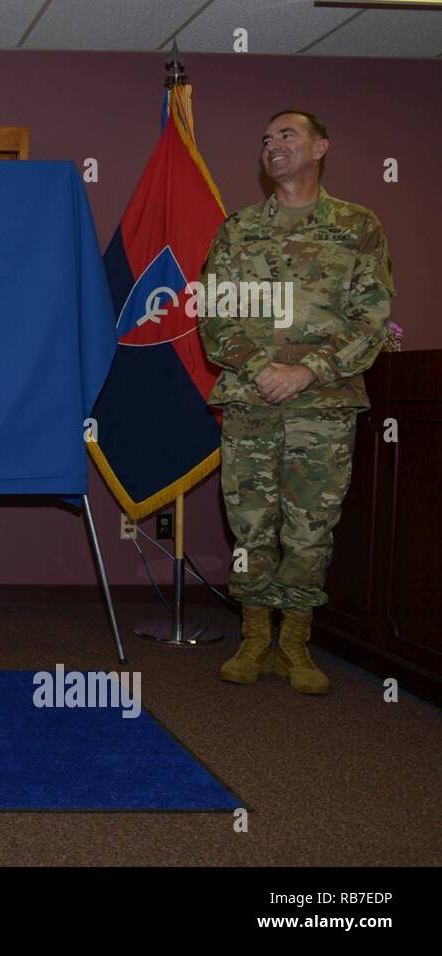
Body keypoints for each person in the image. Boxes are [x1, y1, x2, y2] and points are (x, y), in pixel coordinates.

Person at [200, 110, 394, 694]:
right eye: (266, 139)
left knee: (312, 528)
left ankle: (295, 644)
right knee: (249, 525)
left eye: (287, 135)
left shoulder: (357, 226)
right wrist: (262, 369)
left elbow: (372, 319)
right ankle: (254, 635)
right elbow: (215, 316)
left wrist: (308, 370)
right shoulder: (238, 229)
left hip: (323, 405)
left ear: (320, 147)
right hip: (251, 399)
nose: (273, 145)